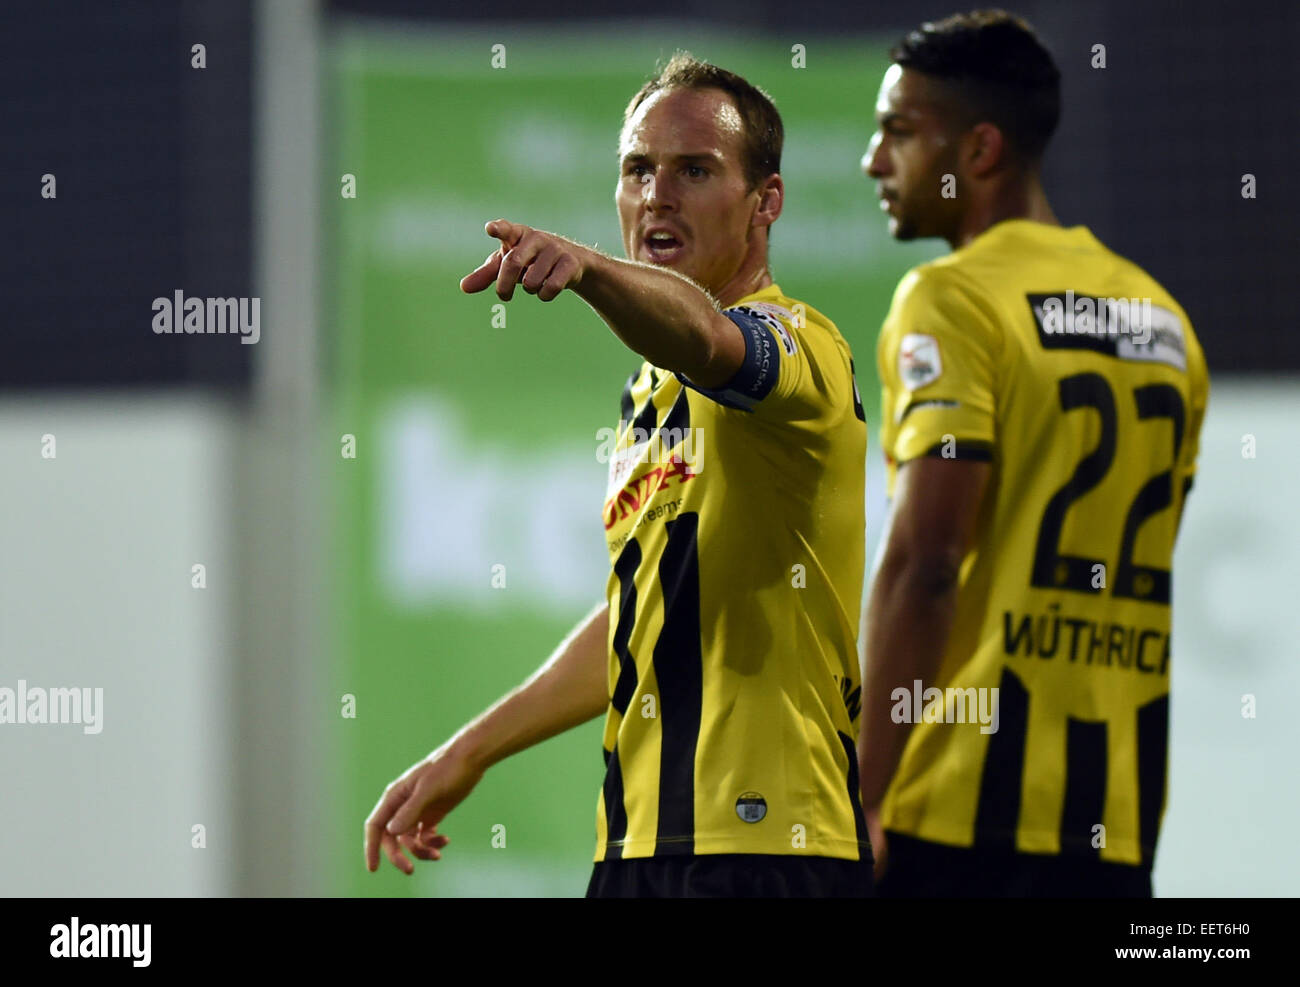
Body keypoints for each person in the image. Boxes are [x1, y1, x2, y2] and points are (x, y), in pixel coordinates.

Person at [364, 54, 872, 898]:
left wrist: (591, 270)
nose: (655, 195)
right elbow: (637, 616)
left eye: (694, 170)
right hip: (637, 846)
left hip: (769, 847)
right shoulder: (649, 393)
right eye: (638, 168)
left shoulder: (802, 348)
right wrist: (467, 754)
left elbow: (710, 339)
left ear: (766, 201)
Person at [857, 10, 1209, 897]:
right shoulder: (1163, 321)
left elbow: (928, 564)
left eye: (899, 131)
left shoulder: (951, 301)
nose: (873, 160)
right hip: (1115, 819)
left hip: (955, 813)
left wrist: (862, 794)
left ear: (980, 150)